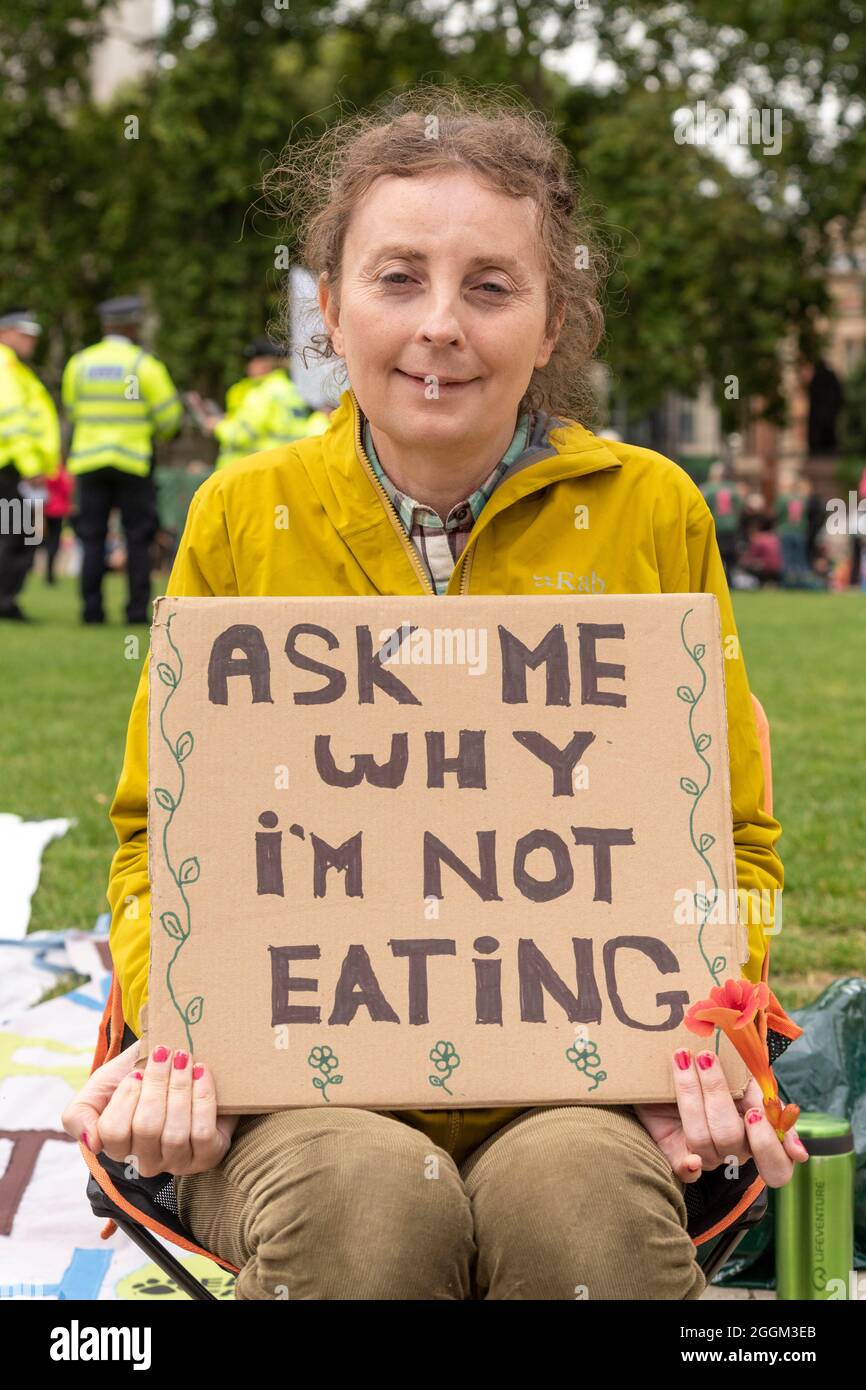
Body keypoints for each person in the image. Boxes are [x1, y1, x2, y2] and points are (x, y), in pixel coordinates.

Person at [62, 89, 806, 1301]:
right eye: (397, 278)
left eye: (491, 287)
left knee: (584, 1220)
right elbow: (159, 842)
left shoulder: (651, 509)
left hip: (581, 1084)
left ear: (553, 317)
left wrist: (706, 1029)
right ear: (332, 309)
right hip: (303, 1091)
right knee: (365, 1212)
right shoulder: (240, 517)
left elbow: (734, 838)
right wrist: (185, 1032)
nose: (440, 326)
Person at [62, 295, 183, 624]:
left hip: (89, 462)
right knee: (138, 537)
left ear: (106, 326)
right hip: (132, 463)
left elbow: (72, 408)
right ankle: (135, 612)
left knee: (91, 536)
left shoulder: (80, 363)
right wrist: (160, 433)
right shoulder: (143, 364)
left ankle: (91, 611)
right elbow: (169, 416)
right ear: (132, 326)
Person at [0, 308, 60, 620]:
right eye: (24, 334)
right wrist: (29, 465)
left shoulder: (16, 369)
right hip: (10, 468)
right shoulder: (4, 367)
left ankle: (7, 600)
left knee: (19, 535)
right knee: (15, 535)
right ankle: (4, 602)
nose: (31, 341)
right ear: (4, 332)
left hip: (15, 467)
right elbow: (11, 423)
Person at [197, 337, 316, 467]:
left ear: (264, 363)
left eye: (251, 360)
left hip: (251, 471)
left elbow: (242, 434)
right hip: (284, 467)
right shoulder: (290, 390)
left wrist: (217, 425)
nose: (248, 365)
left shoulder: (262, 394)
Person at [700, 461, 743, 582]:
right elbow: (739, 506)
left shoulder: (708, 488)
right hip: (731, 526)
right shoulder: (733, 488)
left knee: (717, 556)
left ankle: (718, 581)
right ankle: (730, 580)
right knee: (730, 556)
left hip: (716, 525)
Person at [42, 458, 74, 583]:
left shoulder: (45, 469)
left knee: (41, 540)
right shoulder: (60, 471)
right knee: (54, 542)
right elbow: (67, 489)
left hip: (45, 508)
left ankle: (43, 570)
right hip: (57, 511)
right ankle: (50, 574)